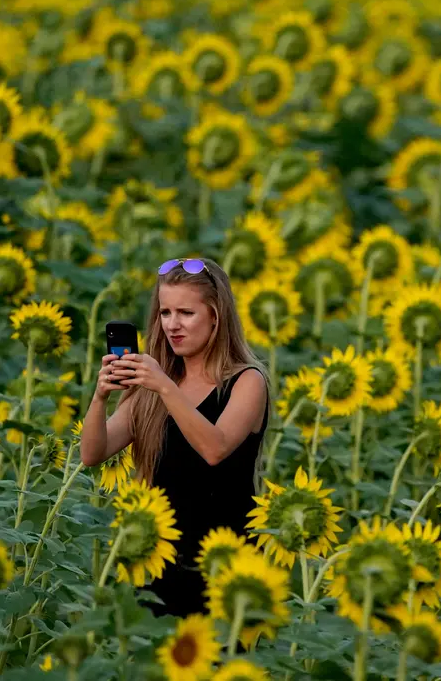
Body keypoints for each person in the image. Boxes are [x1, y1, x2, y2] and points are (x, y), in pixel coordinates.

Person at [80, 257, 269, 616]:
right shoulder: (153, 384)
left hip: (226, 565)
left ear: (215, 316)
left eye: (186, 313)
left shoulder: (246, 381)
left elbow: (214, 448)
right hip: (159, 560)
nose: (172, 325)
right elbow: (92, 453)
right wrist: (100, 396)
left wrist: (165, 386)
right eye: (165, 313)